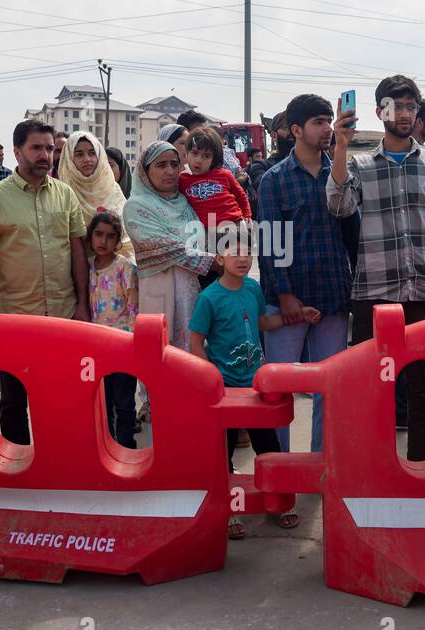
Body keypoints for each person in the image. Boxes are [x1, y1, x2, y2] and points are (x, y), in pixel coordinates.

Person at [327, 74, 425, 462]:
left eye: (409, 107)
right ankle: (375, 470)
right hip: (374, 291)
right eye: (395, 106)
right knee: (374, 385)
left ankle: (423, 468)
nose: (403, 114)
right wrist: (340, 147)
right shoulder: (361, 165)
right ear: (379, 111)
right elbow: (339, 207)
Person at [189, 223, 317, 538]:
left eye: (247, 251)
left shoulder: (253, 289)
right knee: (224, 451)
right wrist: (211, 381)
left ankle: (281, 500)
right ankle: (229, 509)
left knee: (268, 446)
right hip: (226, 391)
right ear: (219, 257)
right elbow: (195, 342)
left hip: (255, 387)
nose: (242, 257)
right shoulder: (208, 298)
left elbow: (262, 322)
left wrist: (297, 316)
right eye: (233, 250)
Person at [0, 120, 89, 444]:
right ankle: (17, 468)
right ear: (17, 151)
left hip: (64, 317)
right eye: (37, 148)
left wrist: (82, 304)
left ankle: (56, 463)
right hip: (15, 319)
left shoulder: (65, 195)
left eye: (49, 148)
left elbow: (78, 251)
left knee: (62, 396)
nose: (45, 155)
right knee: (13, 400)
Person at [257, 94, 353, 454]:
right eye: (319, 122)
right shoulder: (274, 180)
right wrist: (284, 297)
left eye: (329, 121)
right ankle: (280, 471)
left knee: (328, 390)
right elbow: (270, 243)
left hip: (332, 295)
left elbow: (350, 231)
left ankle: (321, 468)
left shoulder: (342, 172)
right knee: (278, 391)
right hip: (287, 301)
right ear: (296, 130)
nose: (327, 128)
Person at [124, 141, 217, 350]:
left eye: (175, 164)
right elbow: (170, 248)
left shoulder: (185, 201)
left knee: (194, 357)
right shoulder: (136, 206)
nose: (170, 171)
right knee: (161, 357)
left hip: (192, 292)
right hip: (160, 291)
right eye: (161, 165)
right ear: (145, 170)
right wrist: (216, 262)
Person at [86, 209, 139, 449]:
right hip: (97, 348)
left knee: (124, 402)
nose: (103, 241)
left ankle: (126, 446)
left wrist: (129, 345)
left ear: (118, 241)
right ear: (90, 237)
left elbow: (133, 309)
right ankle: (108, 447)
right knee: (103, 400)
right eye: (98, 235)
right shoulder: (87, 268)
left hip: (123, 347)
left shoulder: (125, 269)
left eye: (110, 236)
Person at [57, 129, 132, 258]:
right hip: (76, 269)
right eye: (79, 154)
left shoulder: (112, 189)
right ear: (69, 158)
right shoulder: (63, 194)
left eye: (92, 153)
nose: (87, 159)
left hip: (117, 270)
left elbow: (127, 237)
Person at [179, 126, 252, 234]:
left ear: (214, 159)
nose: (198, 160)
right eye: (194, 153)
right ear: (187, 153)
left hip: (234, 225)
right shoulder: (182, 180)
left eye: (206, 156)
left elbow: (241, 196)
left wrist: (247, 217)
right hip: (205, 232)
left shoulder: (224, 174)